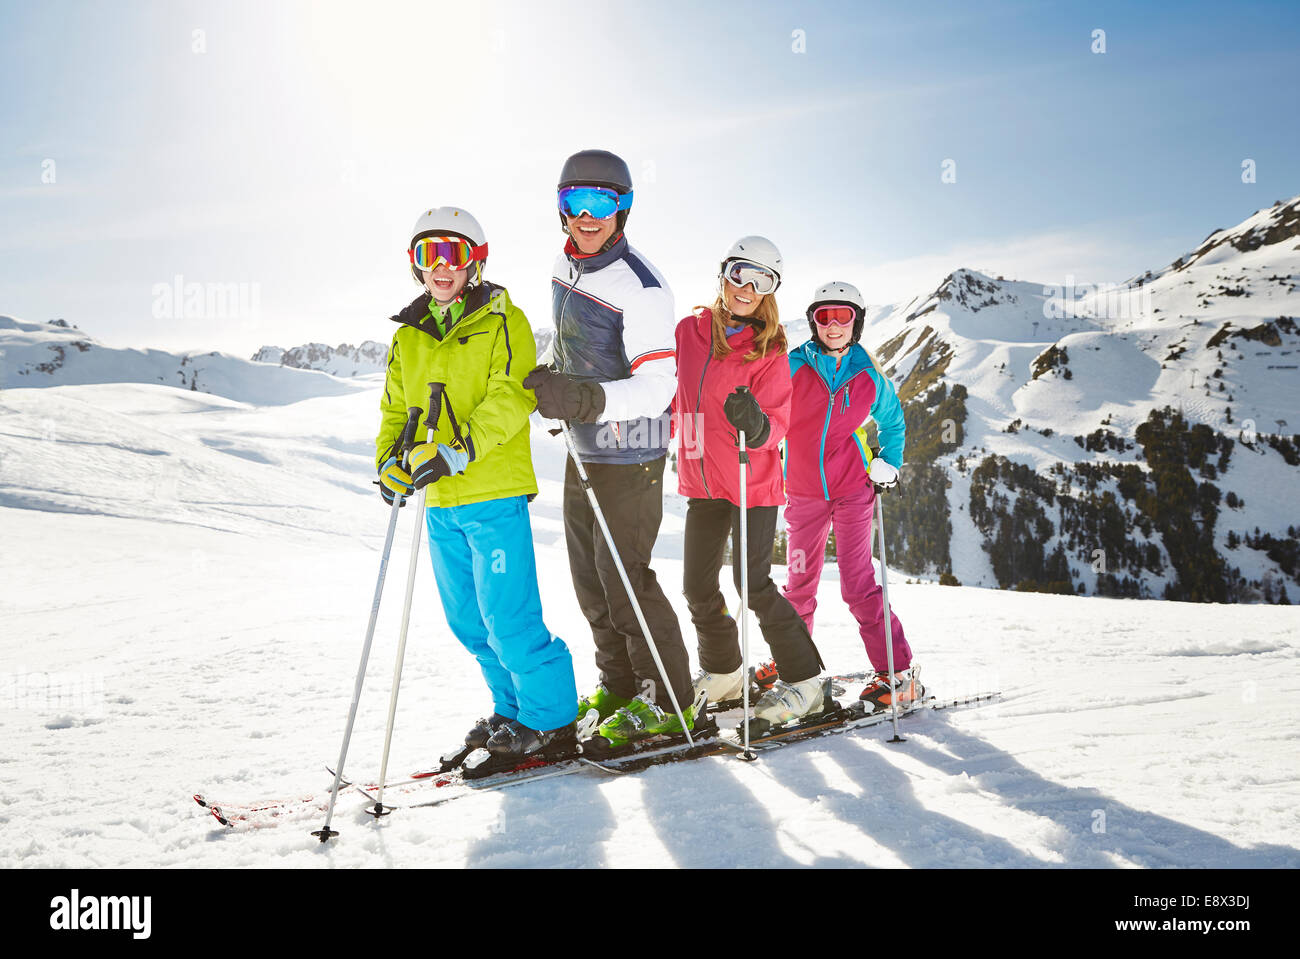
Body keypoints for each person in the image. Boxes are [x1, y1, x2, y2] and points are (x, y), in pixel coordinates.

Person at [376, 205, 578, 771]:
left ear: (476, 262)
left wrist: (459, 448)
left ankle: (553, 720)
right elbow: (396, 410)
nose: (441, 266)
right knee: (469, 621)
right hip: (440, 500)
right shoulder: (408, 337)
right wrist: (390, 462)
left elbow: (512, 395)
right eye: (427, 254)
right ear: (415, 265)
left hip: (490, 488)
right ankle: (513, 711)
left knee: (509, 616)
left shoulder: (501, 318)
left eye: (455, 253)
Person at [523, 149, 696, 748]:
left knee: (626, 579)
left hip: (633, 452)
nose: (588, 216)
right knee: (589, 579)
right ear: (561, 209)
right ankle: (621, 687)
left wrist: (582, 399)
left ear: (624, 208)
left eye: (603, 202)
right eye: (575, 203)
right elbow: (580, 349)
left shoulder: (641, 288)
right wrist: (557, 383)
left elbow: (658, 388)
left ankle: (669, 701)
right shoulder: (563, 264)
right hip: (584, 446)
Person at [674, 237, 826, 732]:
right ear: (723, 274)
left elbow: (779, 419)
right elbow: (668, 391)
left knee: (751, 584)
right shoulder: (688, 332)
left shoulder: (771, 347)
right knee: (697, 586)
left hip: (751, 481)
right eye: (741, 273)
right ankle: (723, 672)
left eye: (763, 281)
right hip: (703, 479)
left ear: (771, 291)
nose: (748, 288)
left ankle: (805, 680)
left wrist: (757, 425)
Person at [781, 281, 920, 711]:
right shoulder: (792, 367)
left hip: (852, 492)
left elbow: (893, 423)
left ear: (856, 322)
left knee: (857, 583)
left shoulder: (868, 378)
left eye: (843, 316)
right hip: (802, 491)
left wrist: (889, 463)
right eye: (825, 316)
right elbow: (766, 409)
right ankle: (795, 669)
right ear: (814, 322)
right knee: (798, 584)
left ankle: (897, 672)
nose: (834, 324)